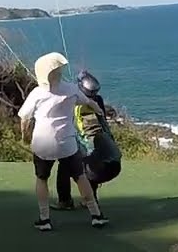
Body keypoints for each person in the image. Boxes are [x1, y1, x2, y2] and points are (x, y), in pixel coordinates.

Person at [17, 52, 108, 232]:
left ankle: (44, 220)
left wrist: (24, 135)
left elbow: (24, 118)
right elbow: (89, 102)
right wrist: (100, 112)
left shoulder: (37, 93)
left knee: (42, 179)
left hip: (43, 144)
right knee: (80, 177)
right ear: (58, 70)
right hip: (67, 144)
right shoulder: (71, 89)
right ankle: (96, 215)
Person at [54, 70, 122, 210]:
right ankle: (90, 199)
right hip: (114, 166)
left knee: (67, 163)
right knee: (90, 159)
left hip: (99, 169)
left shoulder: (75, 103)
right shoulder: (98, 101)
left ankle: (65, 201)